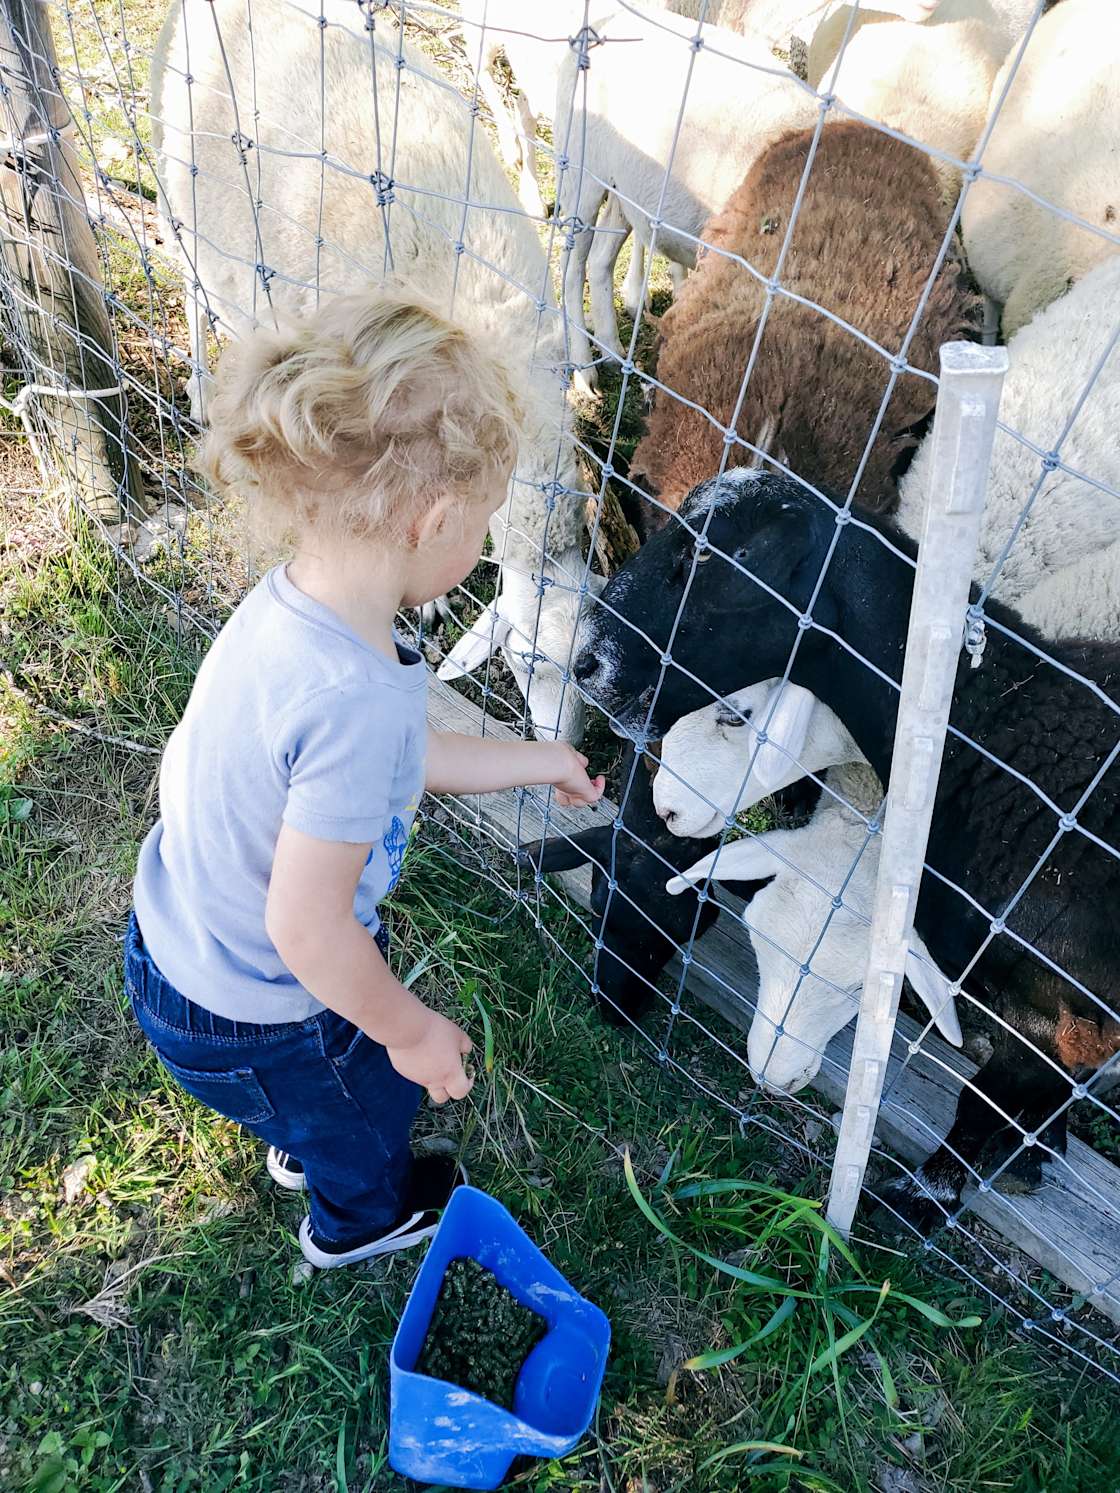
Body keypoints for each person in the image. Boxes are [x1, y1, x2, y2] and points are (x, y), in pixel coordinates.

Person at [126, 286, 604, 1268]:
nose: (480, 549)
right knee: (369, 1103)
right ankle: (359, 1218)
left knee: (327, 1089)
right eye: (483, 524)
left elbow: (403, 757)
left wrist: (540, 757)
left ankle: (300, 1119)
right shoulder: (349, 695)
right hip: (250, 1004)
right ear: (431, 519)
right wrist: (413, 1029)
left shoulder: (300, 611)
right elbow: (308, 929)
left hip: (180, 940)